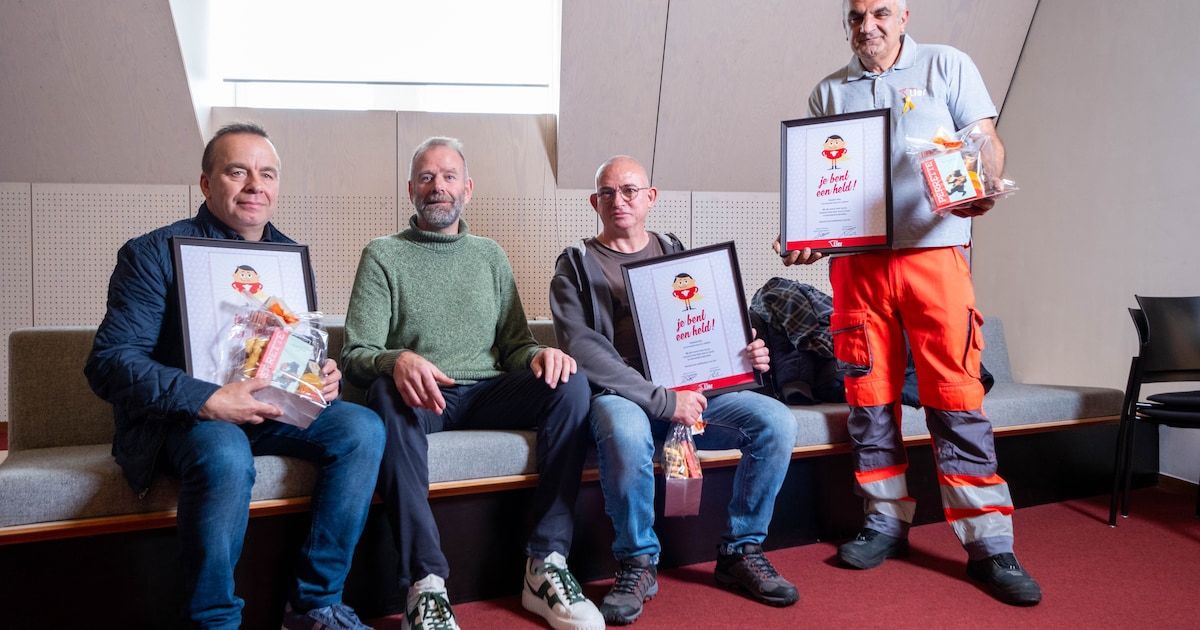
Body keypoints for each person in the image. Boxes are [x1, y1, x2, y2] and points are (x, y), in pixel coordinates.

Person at [778, 0, 1042, 606]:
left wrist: (984, 186)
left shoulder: (947, 67)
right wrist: (807, 240)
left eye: (878, 13)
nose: (865, 26)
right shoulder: (828, 93)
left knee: (956, 395)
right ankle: (884, 522)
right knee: (868, 398)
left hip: (935, 256)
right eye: (854, 16)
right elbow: (820, 184)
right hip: (858, 268)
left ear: (903, 14)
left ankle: (989, 543)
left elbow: (985, 142)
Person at [84, 122, 385, 630]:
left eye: (266, 174)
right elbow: (111, 362)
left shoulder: (289, 257)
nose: (255, 185)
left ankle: (315, 605)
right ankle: (213, 621)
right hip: (181, 418)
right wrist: (209, 400)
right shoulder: (152, 253)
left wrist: (321, 375)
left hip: (270, 410)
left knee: (362, 429)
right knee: (225, 452)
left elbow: (294, 343)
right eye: (237, 171)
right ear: (206, 183)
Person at [340, 136, 603, 630]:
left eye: (448, 176)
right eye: (426, 177)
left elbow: (516, 346)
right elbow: (356, 355)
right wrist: (396, 360)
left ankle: (545, 565)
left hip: (487, 392)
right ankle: (426, 586)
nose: (438, 186)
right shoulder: (382, 254)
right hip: (422, 398)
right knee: (383, 393)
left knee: (570, 382)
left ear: (467, 188)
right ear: (411, 189)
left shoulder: (490, 255)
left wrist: (542, 353)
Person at [550, 155, 801, 625]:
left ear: (651, 197)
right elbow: (583, 348)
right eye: (607, 192)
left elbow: (714, 325)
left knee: (776, 422)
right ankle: (638, 563)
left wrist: (747, 354)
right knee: (624, 432)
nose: (618, 200)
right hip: (621, 397)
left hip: (694, 391)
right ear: (594, 202)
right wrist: (664, 400)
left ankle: (740, 550)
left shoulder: (674, 251)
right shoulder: (577, 265)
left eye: (629, 190)